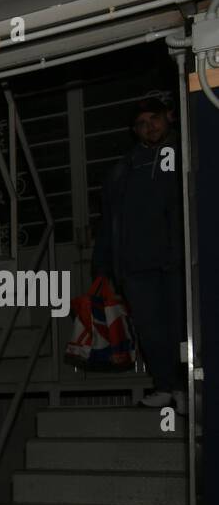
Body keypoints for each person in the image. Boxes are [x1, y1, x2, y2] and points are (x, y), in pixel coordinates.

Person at [91, 96, 187, 412]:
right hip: (135, 267)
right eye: (142, 123)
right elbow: (109, 223)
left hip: (178, 262)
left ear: (169, 118)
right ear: (135, 130)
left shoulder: (187, 151)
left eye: (155, 118)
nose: (150, 126)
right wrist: (102, 268)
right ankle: (164, 386)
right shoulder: (123, 169)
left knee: (182, 326)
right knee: (149, 329)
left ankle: (185, 388)